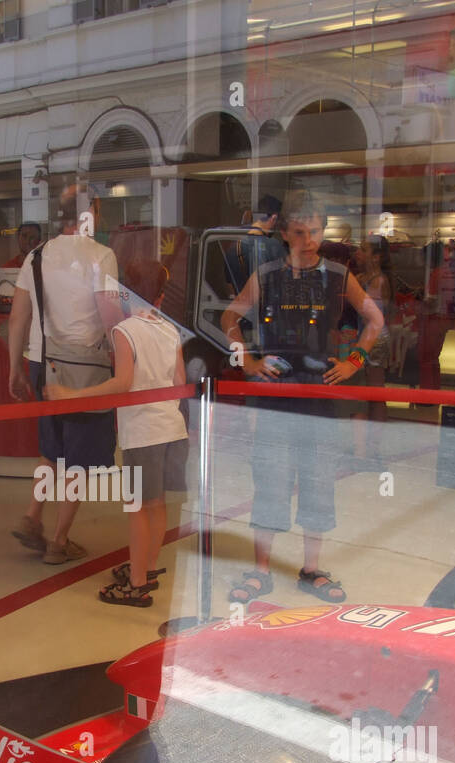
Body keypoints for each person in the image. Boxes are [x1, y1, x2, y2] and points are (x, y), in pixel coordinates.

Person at [219, 189, 383, 605]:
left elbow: (374, 320)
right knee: (270, 480)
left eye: (314, 231)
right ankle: (261, 571)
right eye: (298, 231)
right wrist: (249, 361)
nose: (307, 239)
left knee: (316, 481)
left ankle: (311, 569)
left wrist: (354, 362)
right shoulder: (268, 274)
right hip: (274, 396)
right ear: (285, 233)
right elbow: (229, 318)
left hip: (317, 396)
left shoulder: (339, 276)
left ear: (323, 230)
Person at [45, 260, 187, 606]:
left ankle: (137, 584)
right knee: (157, 505)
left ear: (124, 294)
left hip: (143, 432)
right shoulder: (170, 330)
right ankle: (148, 567)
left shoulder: (125, 332)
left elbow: (122, 384)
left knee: (137, 507)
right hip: (171, 428)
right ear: (162, 296)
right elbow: (180, 384)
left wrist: (71, 395)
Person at [8, 181, 124, 564]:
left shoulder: (36, 256)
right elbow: (110, 318)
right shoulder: (101, 256)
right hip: (86, 367)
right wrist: (124, 358)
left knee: (51, 450)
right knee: (78, 458)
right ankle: (58, 541)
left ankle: (31, 517)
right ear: (93, 212)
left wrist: (15, 367)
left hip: (44, 364)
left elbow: (18, 317)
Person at [350, 233, 396, 459]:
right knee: (362, 388)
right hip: (365, 337)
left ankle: (373, 447)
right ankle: (363, 446)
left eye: (364, 250)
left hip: (375, 340)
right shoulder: (364, 278)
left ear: (376, 257)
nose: (358, 253)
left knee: (375, 391)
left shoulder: (378, 281)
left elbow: (372, 315)